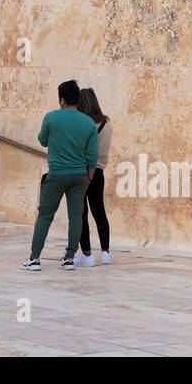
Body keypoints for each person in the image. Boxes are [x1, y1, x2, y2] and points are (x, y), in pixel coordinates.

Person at [22, 79, 98, 271]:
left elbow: (43, 140)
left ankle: (34, 258)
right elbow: (93, 155)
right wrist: (89, 177)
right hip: (80, 175)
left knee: (45, 215)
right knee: (76, 216)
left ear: (62, 99)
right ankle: (69, 258)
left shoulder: (51, 117)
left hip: (57, 174)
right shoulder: (89, 123)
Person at [72, 86, 113, 267]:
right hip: (99, 171)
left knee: (82, 212)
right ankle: (106, 252)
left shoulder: (83, 123)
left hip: (83, 170)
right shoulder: (106, 123)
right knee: (99, 211)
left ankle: (87, 254)